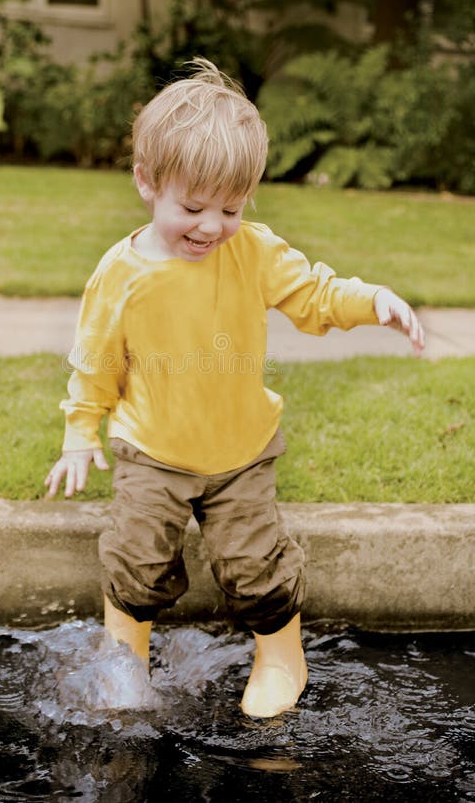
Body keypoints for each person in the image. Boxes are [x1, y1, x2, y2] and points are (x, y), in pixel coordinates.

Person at [44, 58, 425, 718]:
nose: (211, 226)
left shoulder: (252, 251)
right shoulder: (120, 274)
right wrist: (80, 433)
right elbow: (95, 360)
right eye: (192, 207)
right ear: (146, 182)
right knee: (137, 557)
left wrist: (373, 301)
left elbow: (315, 294)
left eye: (231, 207)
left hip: (241, 450)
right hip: (151, 448)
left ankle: (281, 654)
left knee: (254, 564)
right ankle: (125, 656)